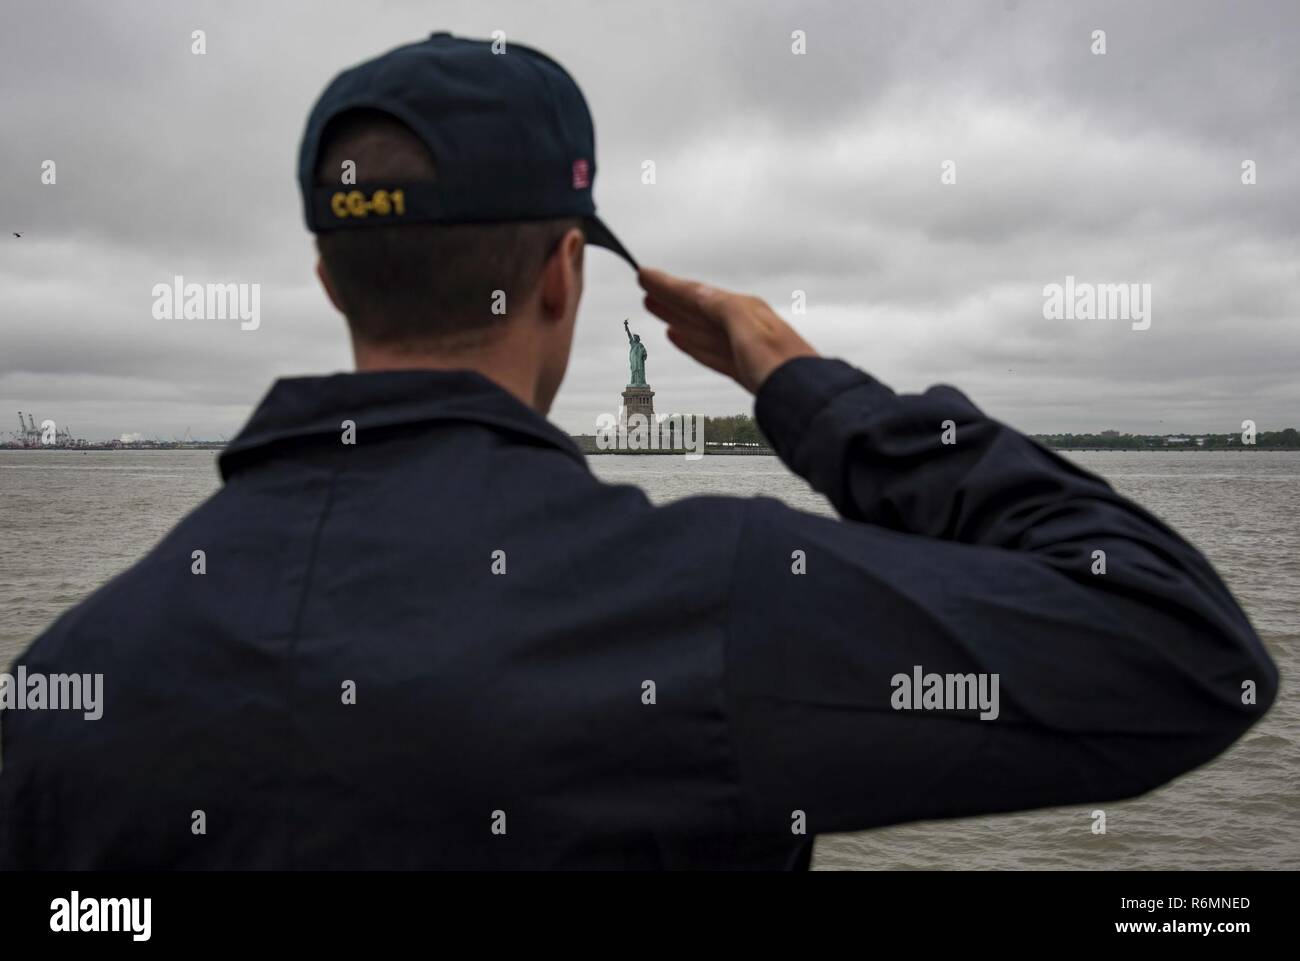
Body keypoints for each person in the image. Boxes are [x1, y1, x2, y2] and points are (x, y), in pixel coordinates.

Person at [0, 33, 1277, 870]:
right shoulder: (713, 607)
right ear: (564, 272)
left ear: (330, 277)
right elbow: (1182, 649)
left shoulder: (68, 678)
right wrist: (804, 384)